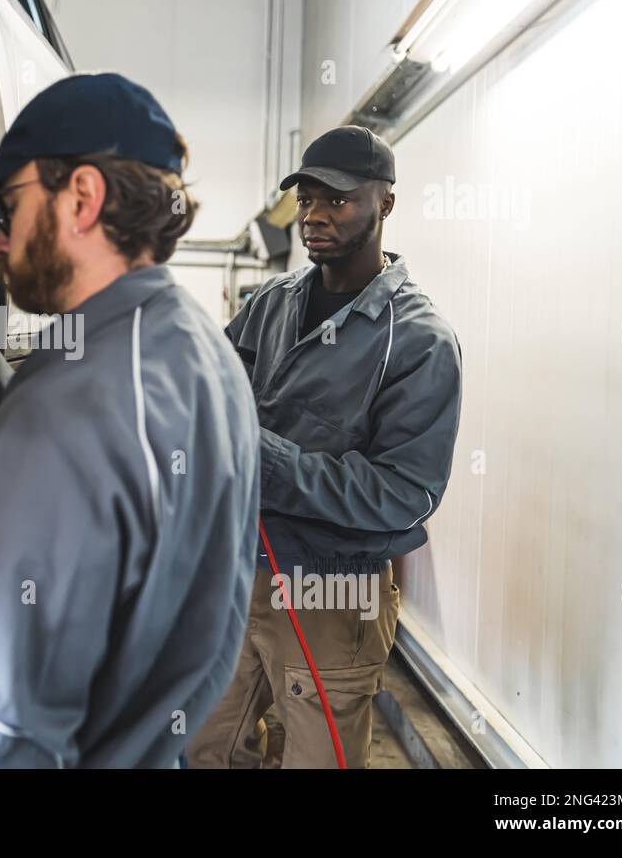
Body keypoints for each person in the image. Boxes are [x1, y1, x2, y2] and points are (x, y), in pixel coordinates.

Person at [0, 73, 260, 768]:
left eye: (4, 207)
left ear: (81, 198)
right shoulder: (201, 354)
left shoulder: (62, 421)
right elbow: (116, 518)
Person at [188, 125, 462, 769]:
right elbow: (209, 390)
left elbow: (407, 496)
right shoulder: (273, 304)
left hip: (333, 597)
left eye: (337, 201)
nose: (313, 216)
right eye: (307, 198)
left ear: (384, 204)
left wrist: (268, 459)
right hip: (237, 577)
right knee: (201, 746)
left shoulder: (419, 341)